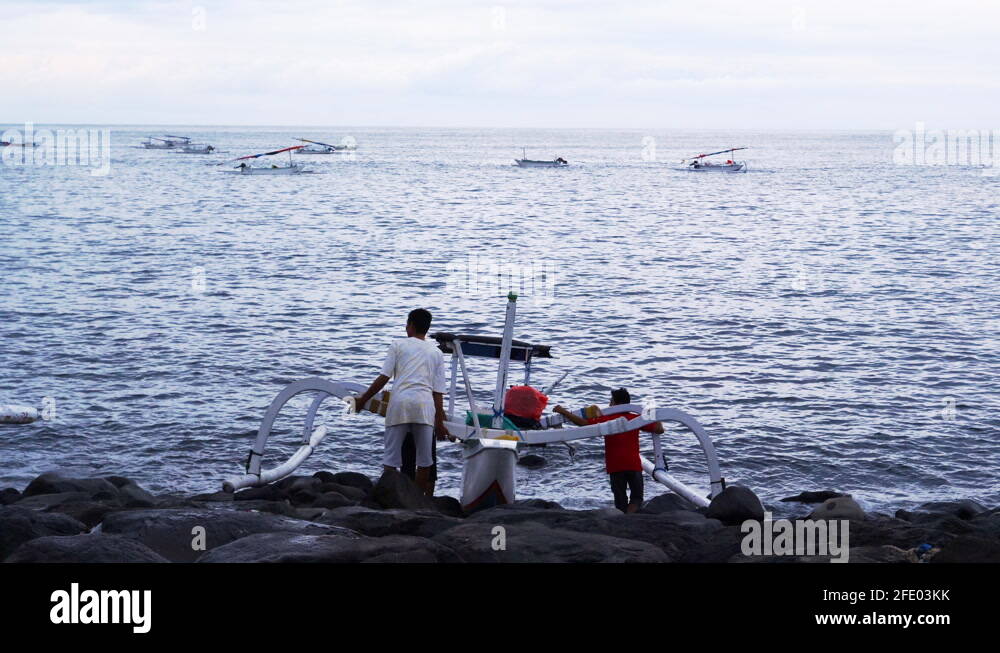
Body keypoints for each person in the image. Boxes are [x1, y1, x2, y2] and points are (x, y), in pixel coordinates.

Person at [354, 309, 450, 496]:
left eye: (407, 324)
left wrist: (363, 399)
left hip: (400, 405)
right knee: (424, 462)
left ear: (411, 326)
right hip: (424, 408)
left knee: (390, 460)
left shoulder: (397, 345)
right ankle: (416, 502)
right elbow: (438, 392)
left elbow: (384, 378)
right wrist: (439, 422)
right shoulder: (436, 353)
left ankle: (389, 497)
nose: (406, 327)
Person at [553, 388, 663, 513]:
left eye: (611, 401)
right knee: (637, 498)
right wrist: (651, 413)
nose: (609, 404)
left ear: (615, 404)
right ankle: (630, 517)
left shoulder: (608, 419)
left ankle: (625, 518)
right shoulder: (635, 418)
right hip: (633, 464)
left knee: (620, 502)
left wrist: (563, 411)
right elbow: (659, 429)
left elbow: (583, 423)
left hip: (615, 466)